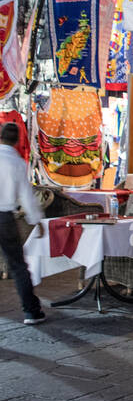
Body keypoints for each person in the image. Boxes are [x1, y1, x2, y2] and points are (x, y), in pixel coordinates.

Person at [0, 122, 46, 324]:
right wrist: (37, 220)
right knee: (18, 265)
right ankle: (31, 311)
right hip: (5, 218)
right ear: (17, 140)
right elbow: (27, 197)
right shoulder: (17, 163)